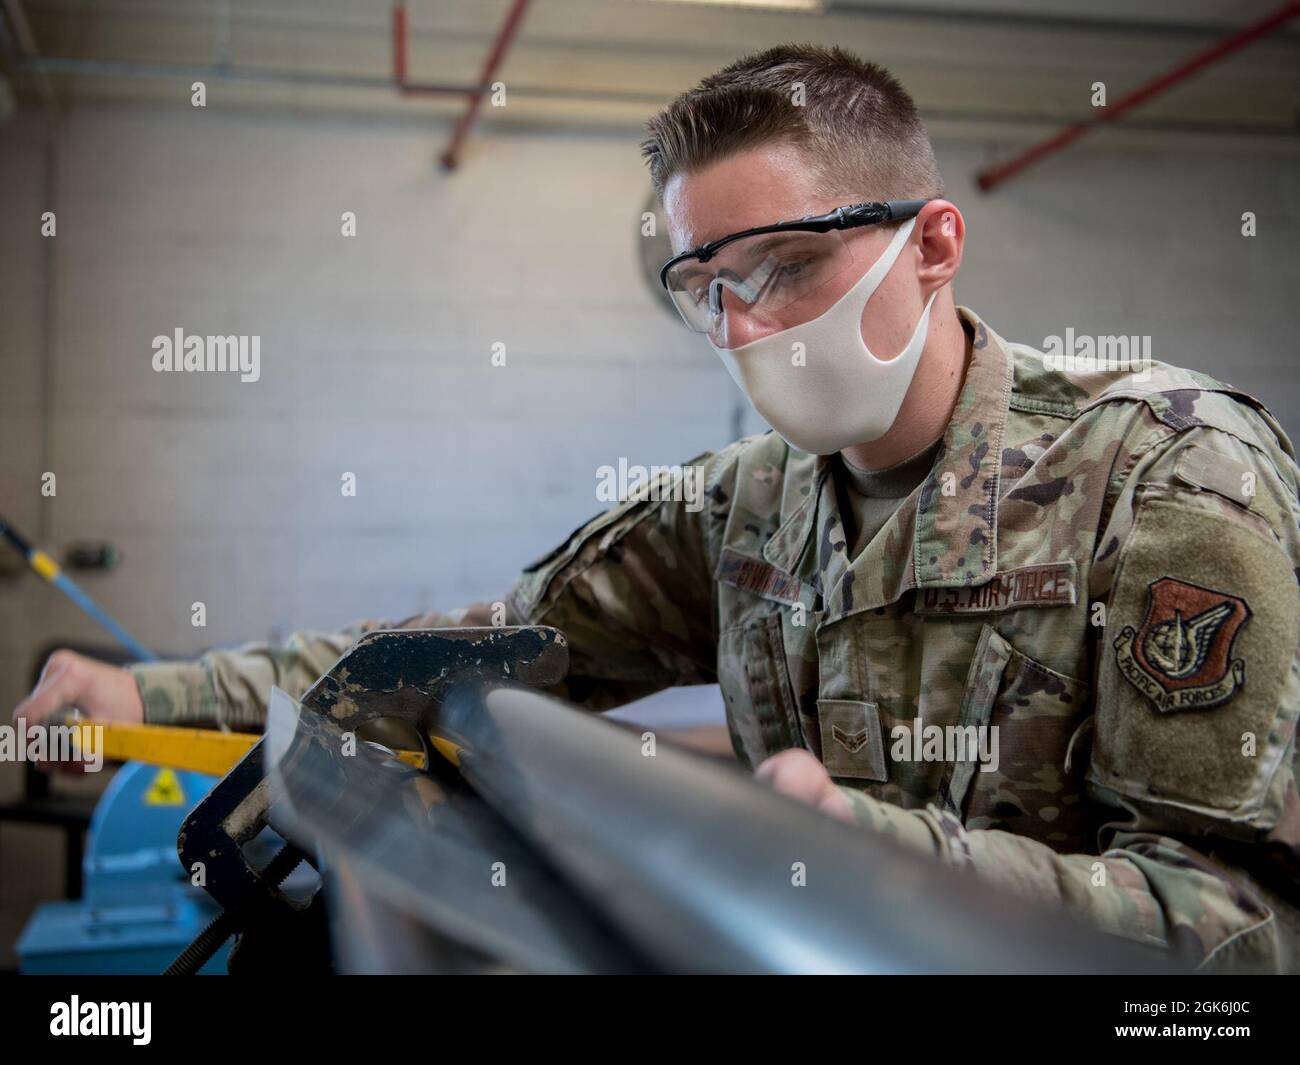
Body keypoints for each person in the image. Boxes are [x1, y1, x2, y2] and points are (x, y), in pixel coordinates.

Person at [15, 45, 1299, 973]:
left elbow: (1236, 931)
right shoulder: (743, 507)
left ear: (932, 243)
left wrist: (880, 859)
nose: (746, 327)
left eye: (788, 267)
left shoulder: (1167, 476)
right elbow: (473, 646)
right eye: (707, 286)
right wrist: (153, 697)